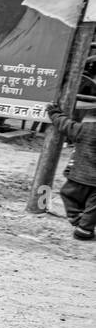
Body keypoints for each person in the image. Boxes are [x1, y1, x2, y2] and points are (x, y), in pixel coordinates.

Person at [47, 100, 96, 239]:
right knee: (93, 206)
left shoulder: (85, 129)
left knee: (67, 194)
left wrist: (54, 113)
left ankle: (77, 218)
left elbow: (65, 124)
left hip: (79, 175)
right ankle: (85, 229)